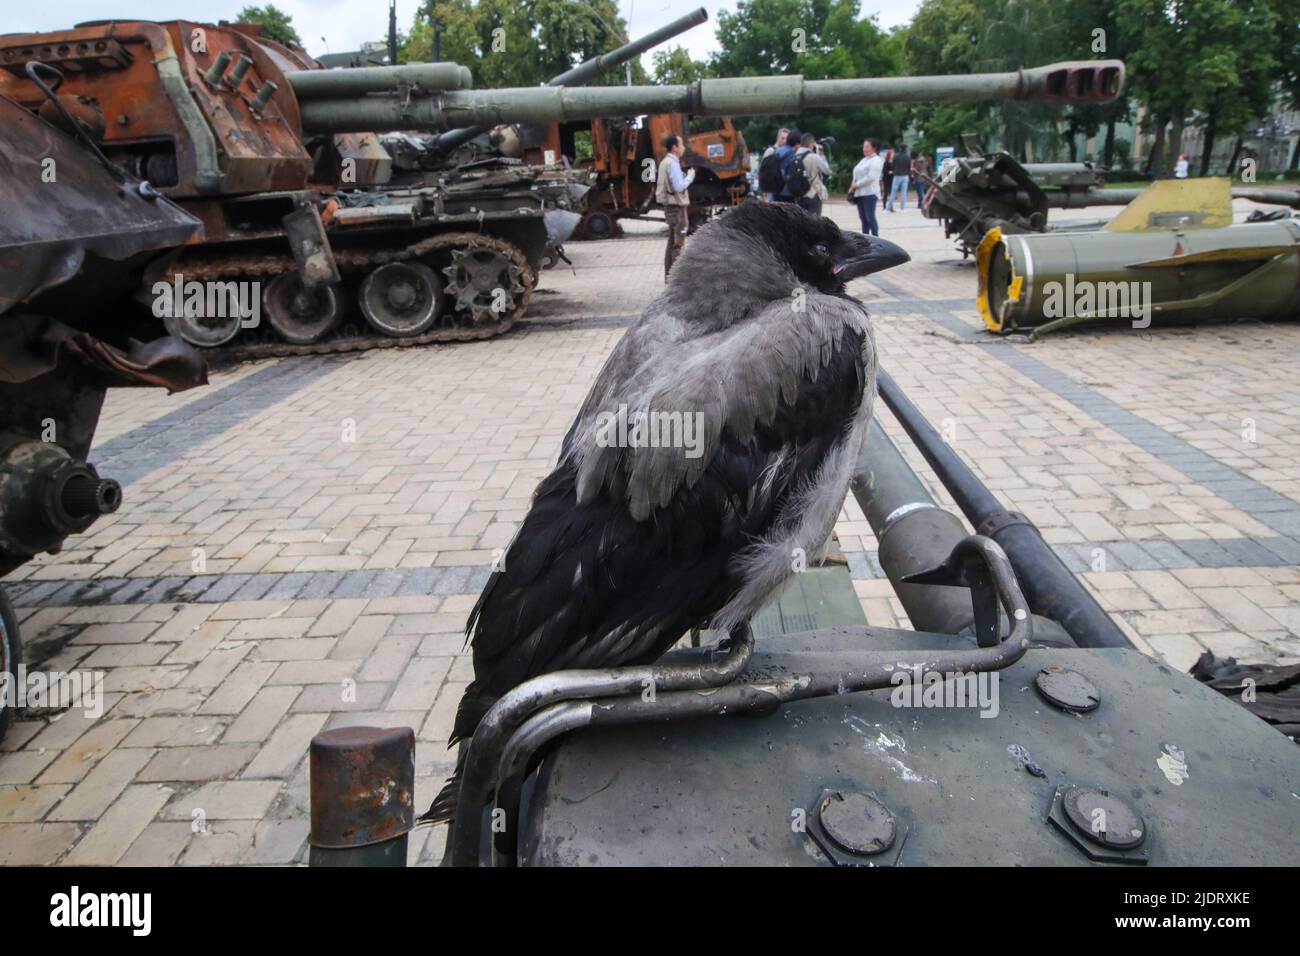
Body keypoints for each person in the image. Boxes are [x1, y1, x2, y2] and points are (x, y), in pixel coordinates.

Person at [656, 133, 695, 279]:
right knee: (679, 244)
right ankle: (678, 279)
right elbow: (679, 187)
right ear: (674, 147)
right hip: (678, 209)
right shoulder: (672, 163)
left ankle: (669, 276)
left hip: (671, 208)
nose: (683, 147)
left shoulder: (665, 162)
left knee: (672, 242)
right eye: (681, 144)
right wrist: (690, 177)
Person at [848, 138, 884, 236]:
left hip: (870, 193)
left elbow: (871, 177)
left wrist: (857, 184)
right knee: (863, 218)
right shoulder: (864, 160)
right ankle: (865, 237)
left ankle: (875, 237)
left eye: (867, 147)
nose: (864, 149)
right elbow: (856, 173)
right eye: (864, 147)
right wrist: (853, 185)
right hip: (859, 193)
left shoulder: (876, 160)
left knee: (870, 217)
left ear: (874, 148)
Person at [795, 132, 831, 216]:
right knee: (814, 221)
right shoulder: (814, 157)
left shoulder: (794, 156)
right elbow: (827, 171)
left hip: (799, 195)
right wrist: (821, 154)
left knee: (801, 220)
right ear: (811, 144)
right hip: (813, 194)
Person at [773, 127, 802, 205]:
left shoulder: (777, 151)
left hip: (776, 190)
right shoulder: (793, 155)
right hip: (787, 192)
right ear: (797, 143)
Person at [760, 128, 789, 201]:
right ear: (777, 138)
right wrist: (764, 190)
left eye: (786, 138)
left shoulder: (789, 152)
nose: (785, 141)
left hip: (784, 190)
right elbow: (763, 171)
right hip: (772, 190)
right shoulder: (771, 151)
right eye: (782, 138)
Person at [887, 143, 911, 211]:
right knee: (904, 193)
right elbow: (909, 167)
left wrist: (894, 171)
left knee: (893, 192)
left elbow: (892, 166)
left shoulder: (896, 156)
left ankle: (889, 206)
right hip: (905, 176)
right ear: (906, 148)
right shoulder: (908, 156)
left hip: (897, 175)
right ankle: (902, 207)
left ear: (900, 148)